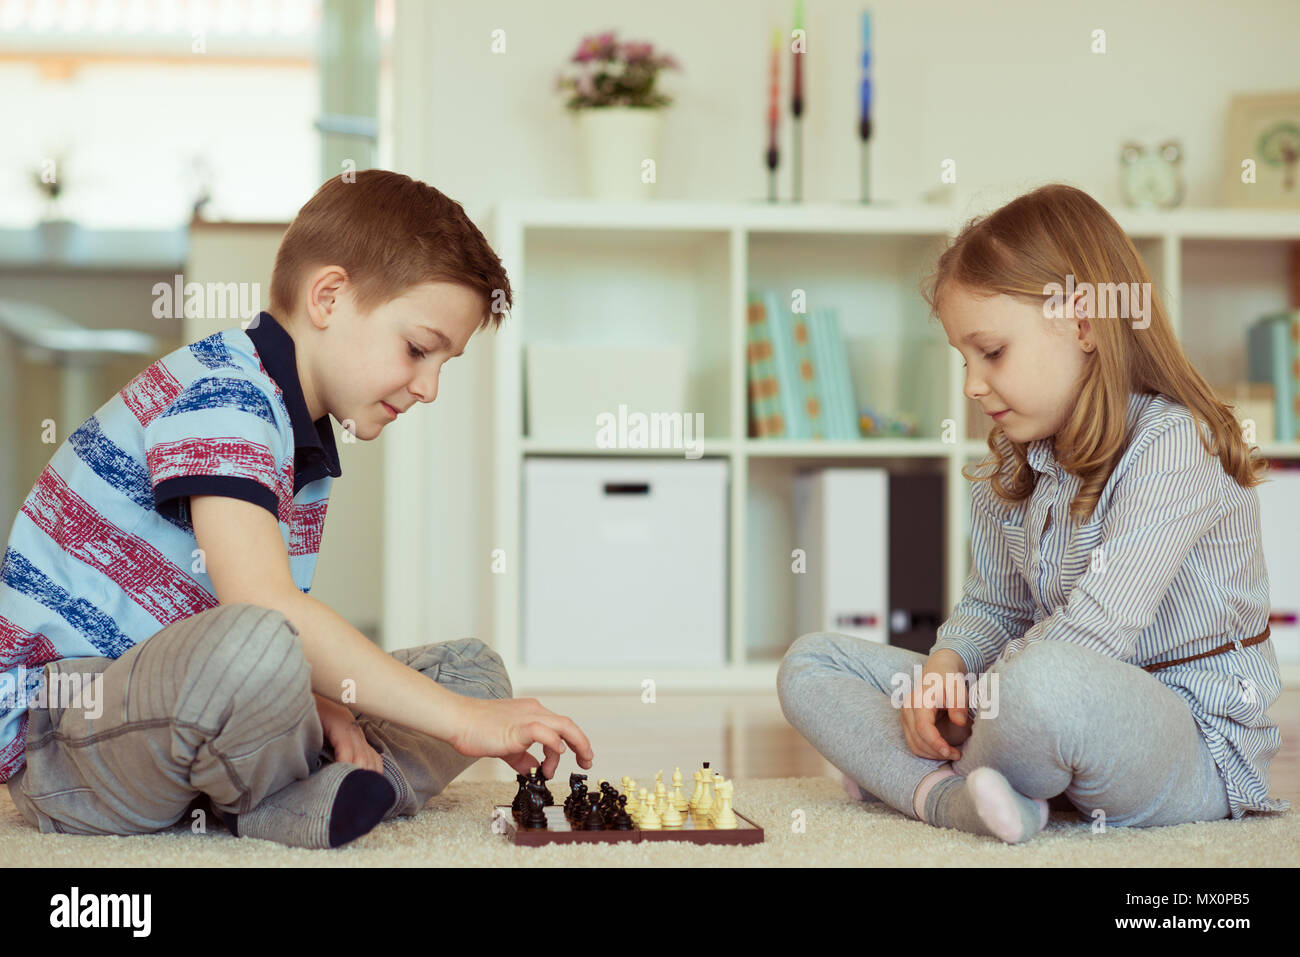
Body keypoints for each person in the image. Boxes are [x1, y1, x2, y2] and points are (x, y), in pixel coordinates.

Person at [1, 170, 593, 849]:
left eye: (443, 364)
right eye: (419, 349)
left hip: (195, 709)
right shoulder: (225, 394)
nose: (429, 386)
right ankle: (280, 802)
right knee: (267, 643)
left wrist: (329, 697)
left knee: (474, 674)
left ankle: (303, 792)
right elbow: (260, 609)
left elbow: (225, 620)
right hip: (74, 735)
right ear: (329, 296)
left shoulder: (296, 430)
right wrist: (462, 724)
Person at [778, 183, 1289, 844]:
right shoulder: (1011, 463)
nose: (971, 384)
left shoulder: (1175, 445)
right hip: (1029, 702)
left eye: (991, 352)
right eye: (963, 359)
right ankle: (959, 797)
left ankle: (913, 778)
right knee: (810, 664)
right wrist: (947, 668)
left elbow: (1098, 631)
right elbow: (995, 606)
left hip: (1190, 746)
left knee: (1041, 686)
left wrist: (984, 704)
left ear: (1083, 323)